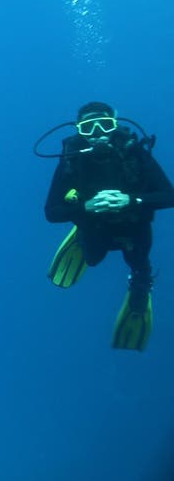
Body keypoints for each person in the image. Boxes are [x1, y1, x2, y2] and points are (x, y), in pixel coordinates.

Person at [43, 101, 174, 350]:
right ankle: (80, 235)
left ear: (114, 124)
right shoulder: (72, 158)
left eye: (104, 125)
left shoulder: (133, 152)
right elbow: (51, 212)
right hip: (94, 224)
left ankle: (140, 286)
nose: (97, 134)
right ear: (79, 130)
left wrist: (132, 200)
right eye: (88, 128)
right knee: (93, 259)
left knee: (139, 266)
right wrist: (86, 208)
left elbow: (170, 196)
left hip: (133, 225)